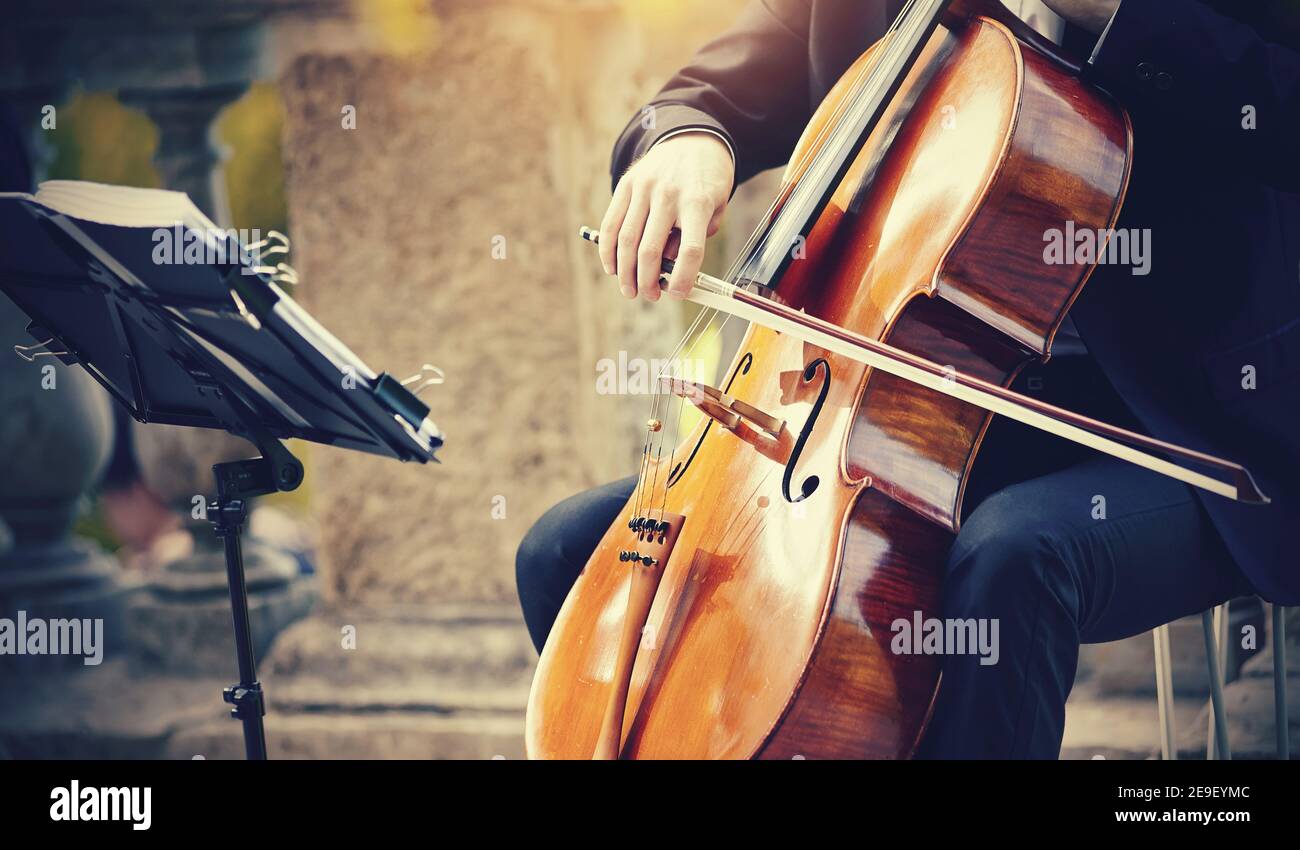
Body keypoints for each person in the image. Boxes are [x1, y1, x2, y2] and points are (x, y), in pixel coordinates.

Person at [516, 0, 1300, 758]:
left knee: (1013, 556)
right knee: (567, 547)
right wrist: (687, 137)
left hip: (1187, 424)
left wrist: (1123, 15)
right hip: (916, 419)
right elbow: (715, 89)